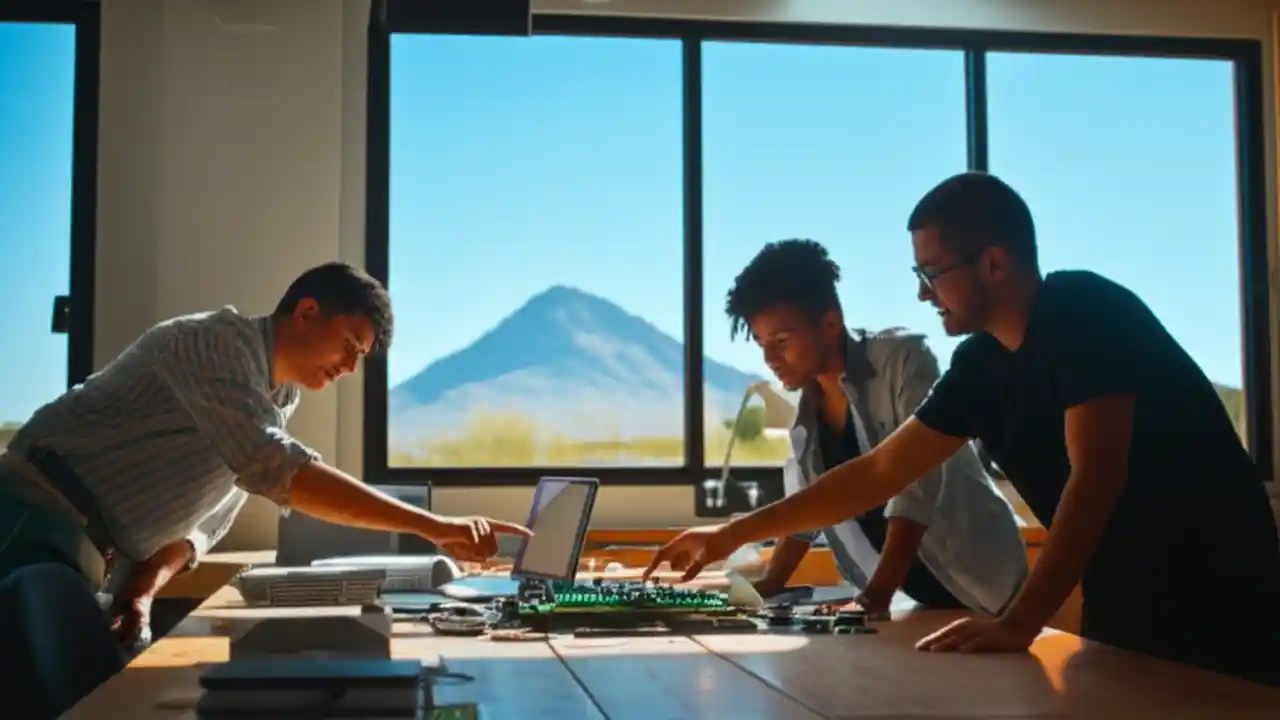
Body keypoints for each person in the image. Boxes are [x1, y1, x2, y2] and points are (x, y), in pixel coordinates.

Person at [646, 173, 1280, 684]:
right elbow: (877, 473)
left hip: (1225, 595)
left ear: (994, 263)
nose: (924, 293)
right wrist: (730, 534)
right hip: (1124, 603)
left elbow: (1097, 475)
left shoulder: (1084, 309)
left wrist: (1018, 622)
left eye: (932, 272)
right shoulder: (978, 366)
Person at [0, 262, 531, 716]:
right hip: (32, 513)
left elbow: (205, 522)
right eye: (349, 345)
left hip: (94, 557)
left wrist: (142, 587)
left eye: (360, 358)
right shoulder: (212, 343)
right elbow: (273, 467)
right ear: (305, 311)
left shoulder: (276, 400)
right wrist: (432, 527)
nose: (349, 367)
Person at [724, 239, 1026, 617]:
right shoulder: (805, 409)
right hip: (910, 600)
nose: (769, 358)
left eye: (781, 341)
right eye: (761, 343)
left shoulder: (903, 359)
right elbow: (807, 508)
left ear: (830, 323)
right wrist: (769, 583)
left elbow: (914, 488)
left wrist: (876, 595)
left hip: (982, 588)